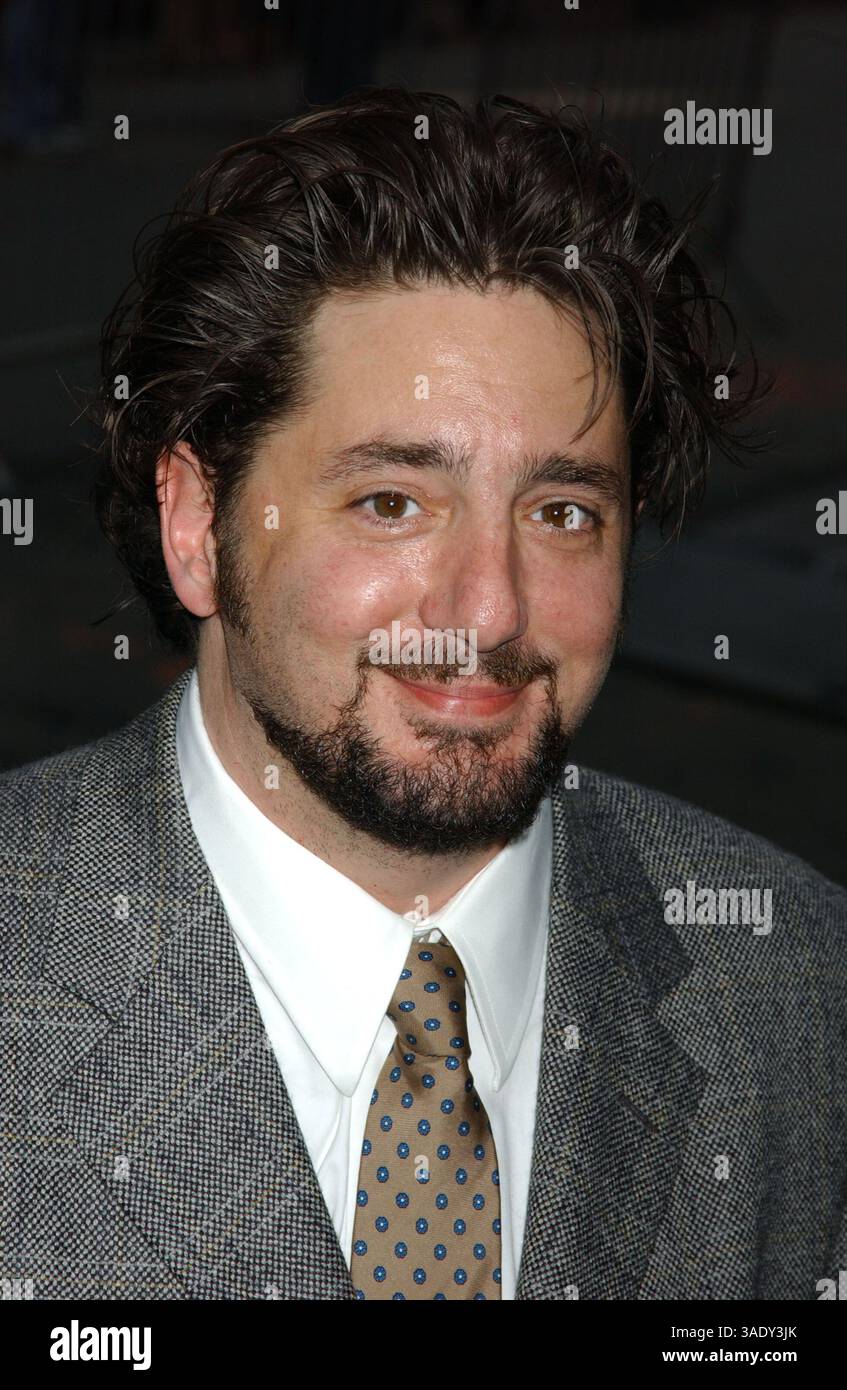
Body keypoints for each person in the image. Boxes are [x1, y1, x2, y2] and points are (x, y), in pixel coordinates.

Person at [1, 87, 844, 1302]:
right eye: (392, 501)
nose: (489, 609)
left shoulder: (801, 994)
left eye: (562, 513)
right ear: (197, 522)